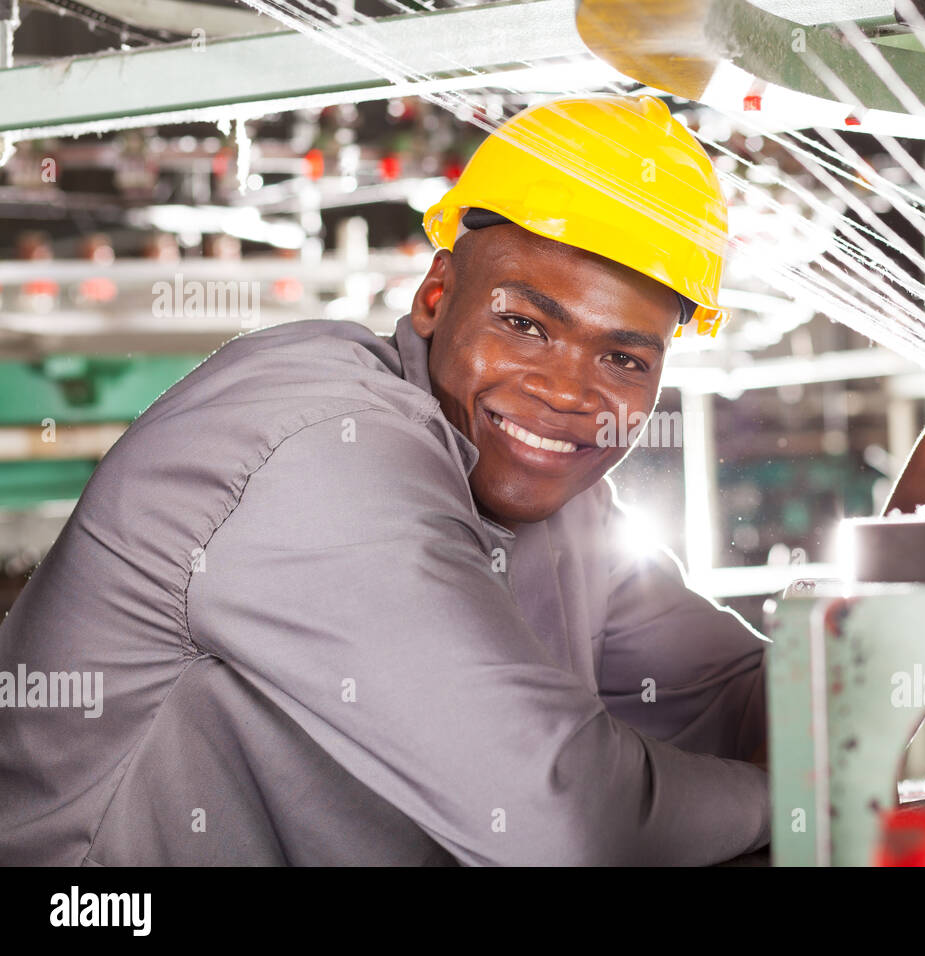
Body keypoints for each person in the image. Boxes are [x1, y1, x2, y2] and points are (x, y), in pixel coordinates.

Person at [0, 95, 770, 866]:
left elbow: (733, 694)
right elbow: (555, 813)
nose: (568, 394)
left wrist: (852, 721)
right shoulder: (321, 444)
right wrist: (798, 799)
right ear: (436, 297)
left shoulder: (561, 512)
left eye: (624, 359)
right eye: (525, 325)